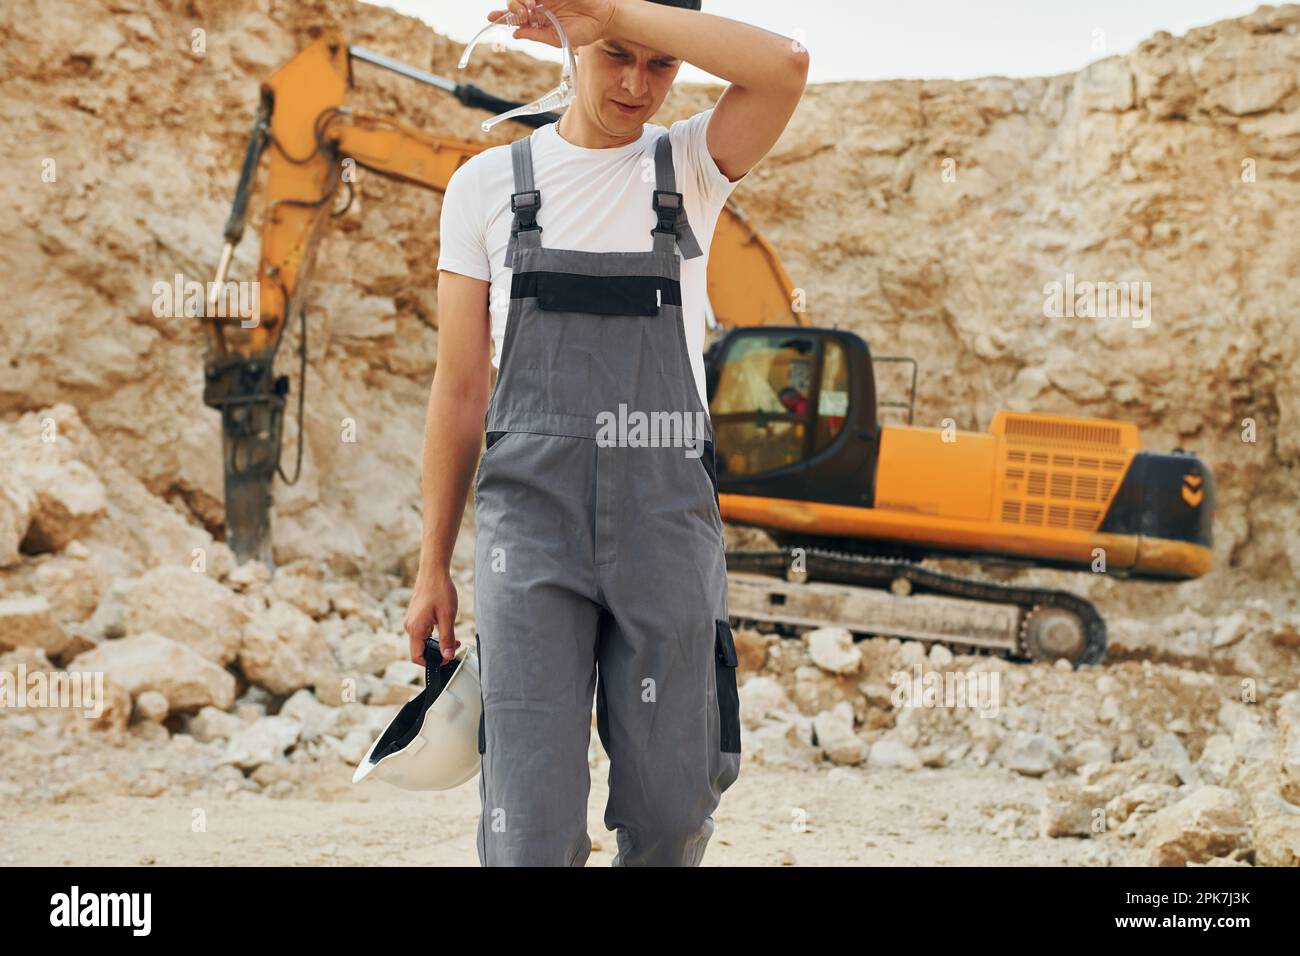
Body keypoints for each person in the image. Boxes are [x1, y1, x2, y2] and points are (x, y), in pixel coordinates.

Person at [407, 0, 807, 866]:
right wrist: (431, 561)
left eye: (660, 64)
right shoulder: (486, 186)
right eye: (616, 56)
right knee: (531, 831)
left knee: (669, 817)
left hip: (664, 524)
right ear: (572, 45)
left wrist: (614, 10)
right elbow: (461, 389)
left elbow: (786, 67)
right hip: (531, 532)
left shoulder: (692, 168)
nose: (636, 85)